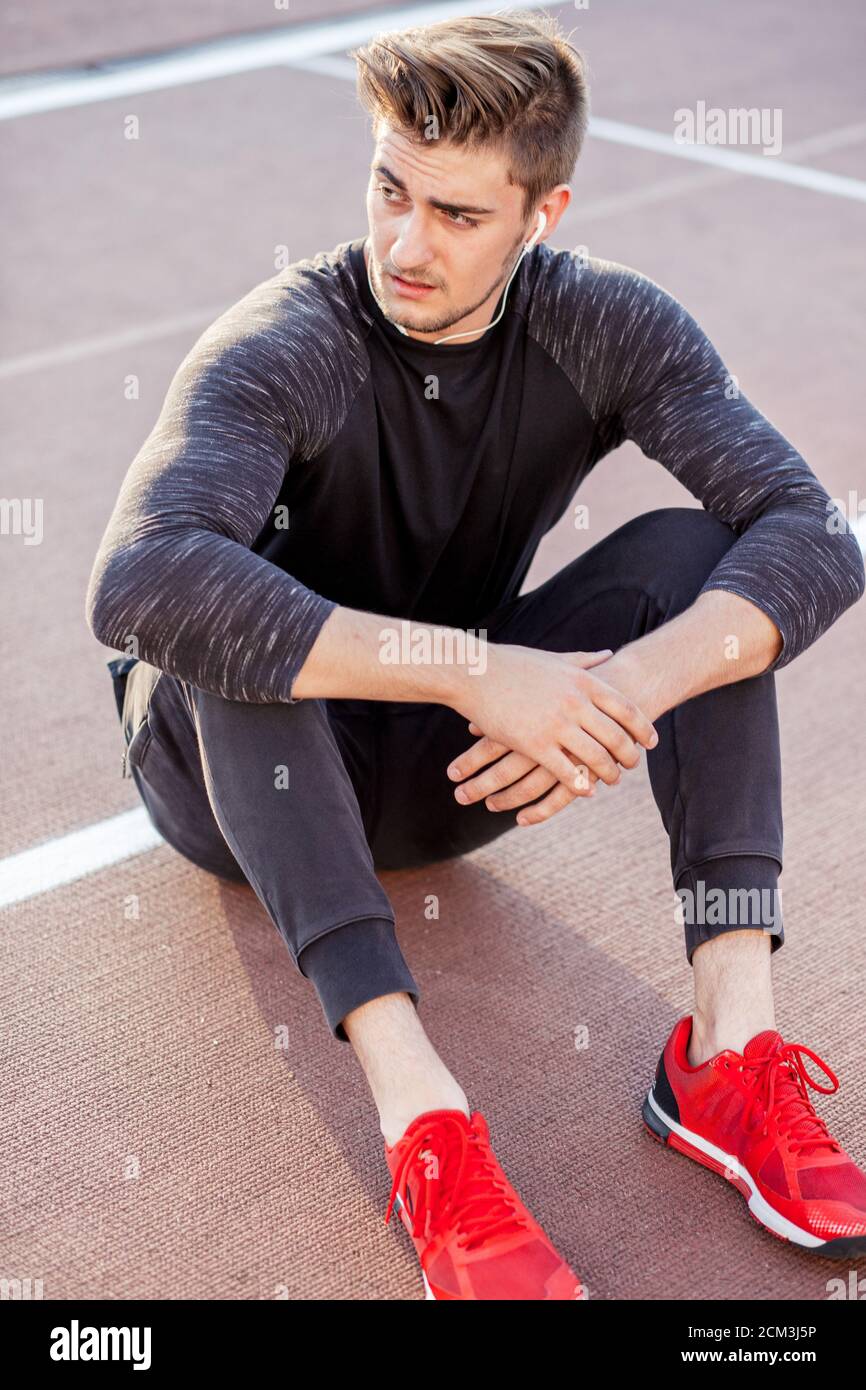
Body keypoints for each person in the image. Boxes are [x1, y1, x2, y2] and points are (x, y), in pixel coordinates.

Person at [85, 12, 866, 1299]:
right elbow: (140, 577)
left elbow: (812, 534)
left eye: (455, 214)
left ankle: (729, 1049)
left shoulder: (605, 326)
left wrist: (623, 687)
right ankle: (424, 1117)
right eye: (390, 191)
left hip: (459, 777)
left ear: (541, 211)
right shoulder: (289, 341)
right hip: (238, 785)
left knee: (692, 550)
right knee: (232, 617)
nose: (405, 242)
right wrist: (470, 668)